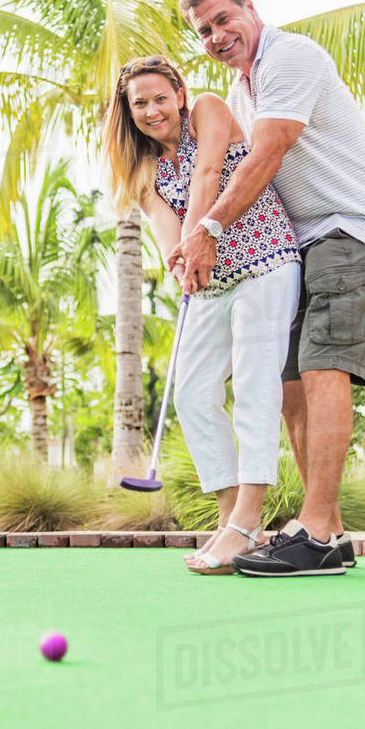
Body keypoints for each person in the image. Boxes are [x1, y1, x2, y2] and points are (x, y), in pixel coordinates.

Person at [170, 0, 365, 577]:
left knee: (323, 365)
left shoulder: (290, 57)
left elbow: (269, 151)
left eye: (223, 19)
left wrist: (209, 231)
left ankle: (314, 528)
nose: (216, 36)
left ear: (250, 8)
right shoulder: (240, 93)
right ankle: (329, 532)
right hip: (303, 243)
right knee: (288, 386)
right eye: (204, 31)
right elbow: (219, 172)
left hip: (354, 227)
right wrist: (188, 240)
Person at [103, 55, 301, 574]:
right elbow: (164, 228)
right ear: (128, 111)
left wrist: (195, 241)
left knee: (254, 388)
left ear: (180, 94)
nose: (152, 110)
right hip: (210, 283)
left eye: (159, 98)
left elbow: (208, 175)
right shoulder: (143, 167)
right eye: (139, 103)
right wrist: (178, 264)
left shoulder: (209, 111)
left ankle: (247, 520)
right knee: (191, 393)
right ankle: (231, 519)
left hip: (265, 261)